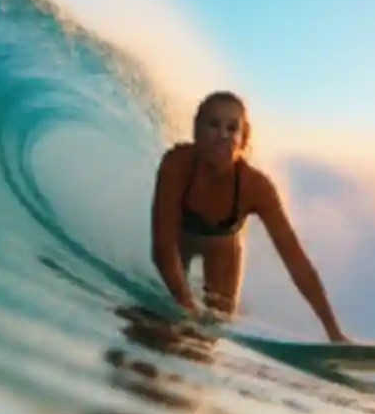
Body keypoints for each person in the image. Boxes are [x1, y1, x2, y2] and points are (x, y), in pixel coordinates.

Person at [150, 91, 350, 343]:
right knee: (160, 321)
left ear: (243, 140)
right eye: (213, 125)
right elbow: (163, 247)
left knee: (208, 335)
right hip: (181, 241)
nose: (223, 134)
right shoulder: (176, 164)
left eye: (232, 128)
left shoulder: (256, 187)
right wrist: (184, 302)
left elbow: (296, 261)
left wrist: (333, 331)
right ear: (196, 131)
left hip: (222, 250)